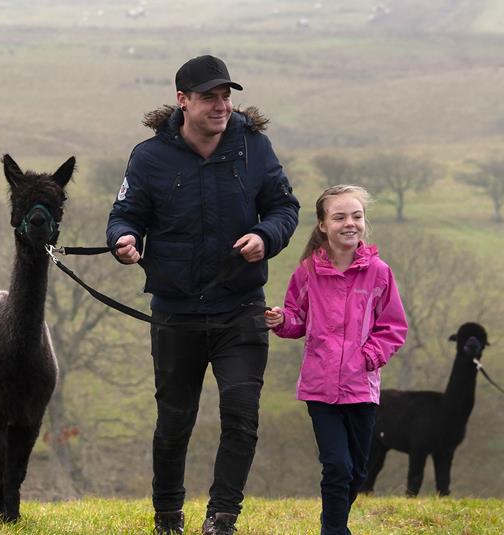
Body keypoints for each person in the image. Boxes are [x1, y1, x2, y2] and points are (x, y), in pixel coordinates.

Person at [107, 55, 300, 535]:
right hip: (176, 314)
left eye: (226, 96)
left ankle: (222, 518)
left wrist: (267, 236)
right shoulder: (149, 157)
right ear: (183, 100)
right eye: (210, 97)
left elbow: (284, 207)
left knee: (241, 414)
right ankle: (168, 517)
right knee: (174, 423)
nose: (221, 106)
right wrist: (123, 240)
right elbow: (125, 214)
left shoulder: (255, 148)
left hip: (241, 309)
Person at [265, 185, 407, 535]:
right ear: (323, 225)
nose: (350, 223)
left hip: (362, 389)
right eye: (340, 216)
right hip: (320, 388)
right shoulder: (307, 272)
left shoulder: (379, 272)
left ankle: (336, 524)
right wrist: (282, 320)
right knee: (337, 466)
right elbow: (297, 319)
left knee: (358, 470)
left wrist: (368, 357)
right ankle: (334, 530)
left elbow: (393, 326)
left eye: (356, 216)